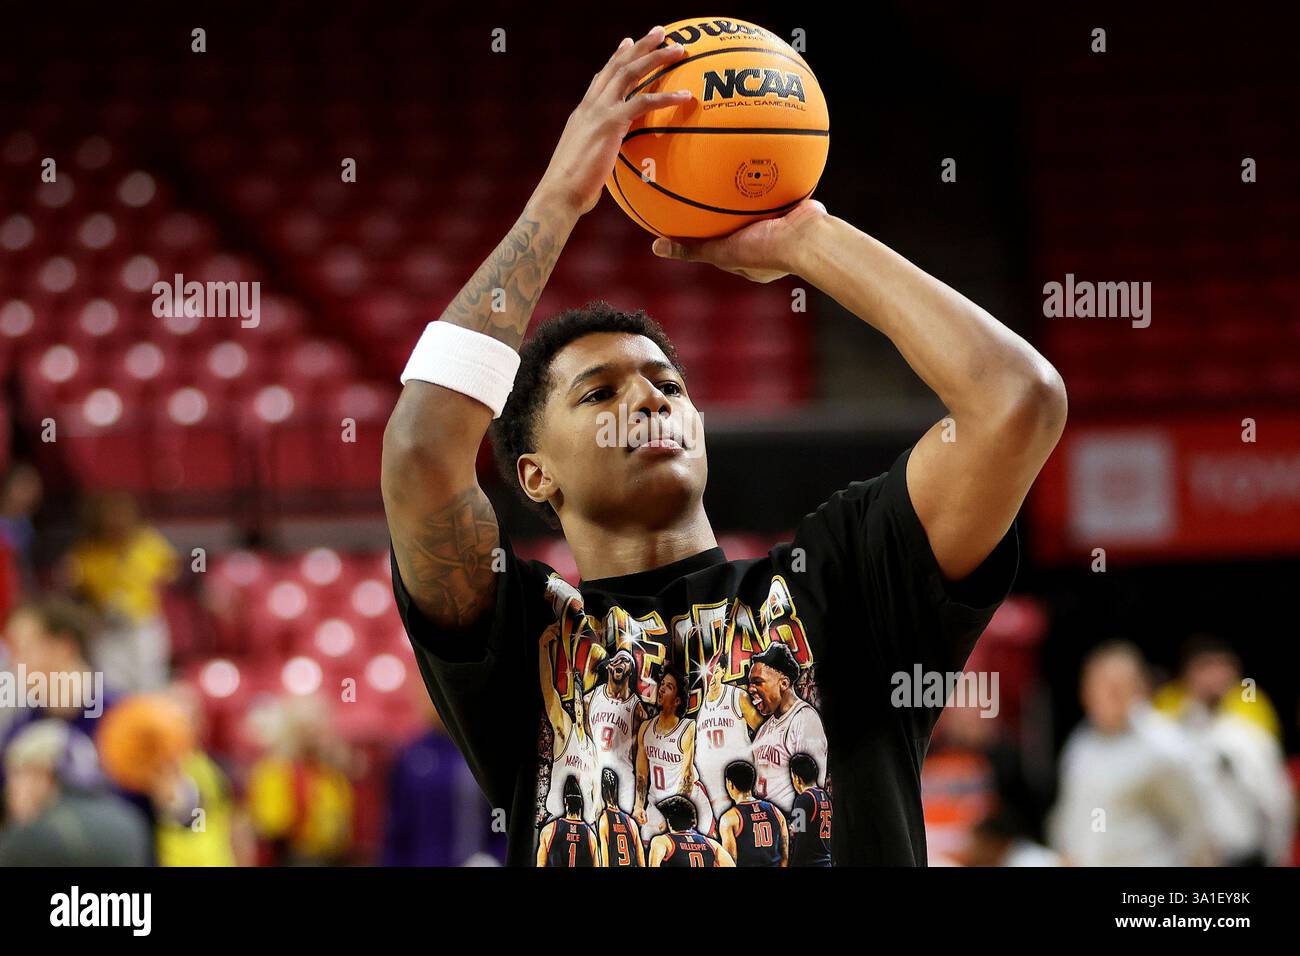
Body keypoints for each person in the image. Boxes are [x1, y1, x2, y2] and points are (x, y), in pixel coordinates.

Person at [382, 25, 1064, 866]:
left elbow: (1017, 401)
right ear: (533, 474)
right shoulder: (526, 646)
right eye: (600, 391)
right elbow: (420, 452)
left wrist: (806, 239)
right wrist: (558, 198)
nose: (648, 398)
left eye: (669, 385)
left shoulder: (842, 586)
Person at [1047, 642, 1215, 866]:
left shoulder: (1165, 745)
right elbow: (1070, 811)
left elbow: (1195, 825)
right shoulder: (1080, 741)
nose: (1108, 695)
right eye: (1100, 686)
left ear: (1138, 688)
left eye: (1117, 687)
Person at [64, 491, 179, 693]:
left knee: (150, 683)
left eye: (121, 516)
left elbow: (174, 572)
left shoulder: (149, 543)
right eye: (110, 518)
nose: (116, 523)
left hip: (144, 624)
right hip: (107, 629)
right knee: (113, 688)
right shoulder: (86, 552)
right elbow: (74, 590)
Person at [0, 719, 151, 866]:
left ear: (41, 777)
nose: (9, 791)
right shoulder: (131, 822)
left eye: (15, 775)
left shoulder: (29, 838)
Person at [716, 759, 787, 867]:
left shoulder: (729, 818)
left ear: (730, 784)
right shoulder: (776, 811)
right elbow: (785, 856)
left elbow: (730, 863)